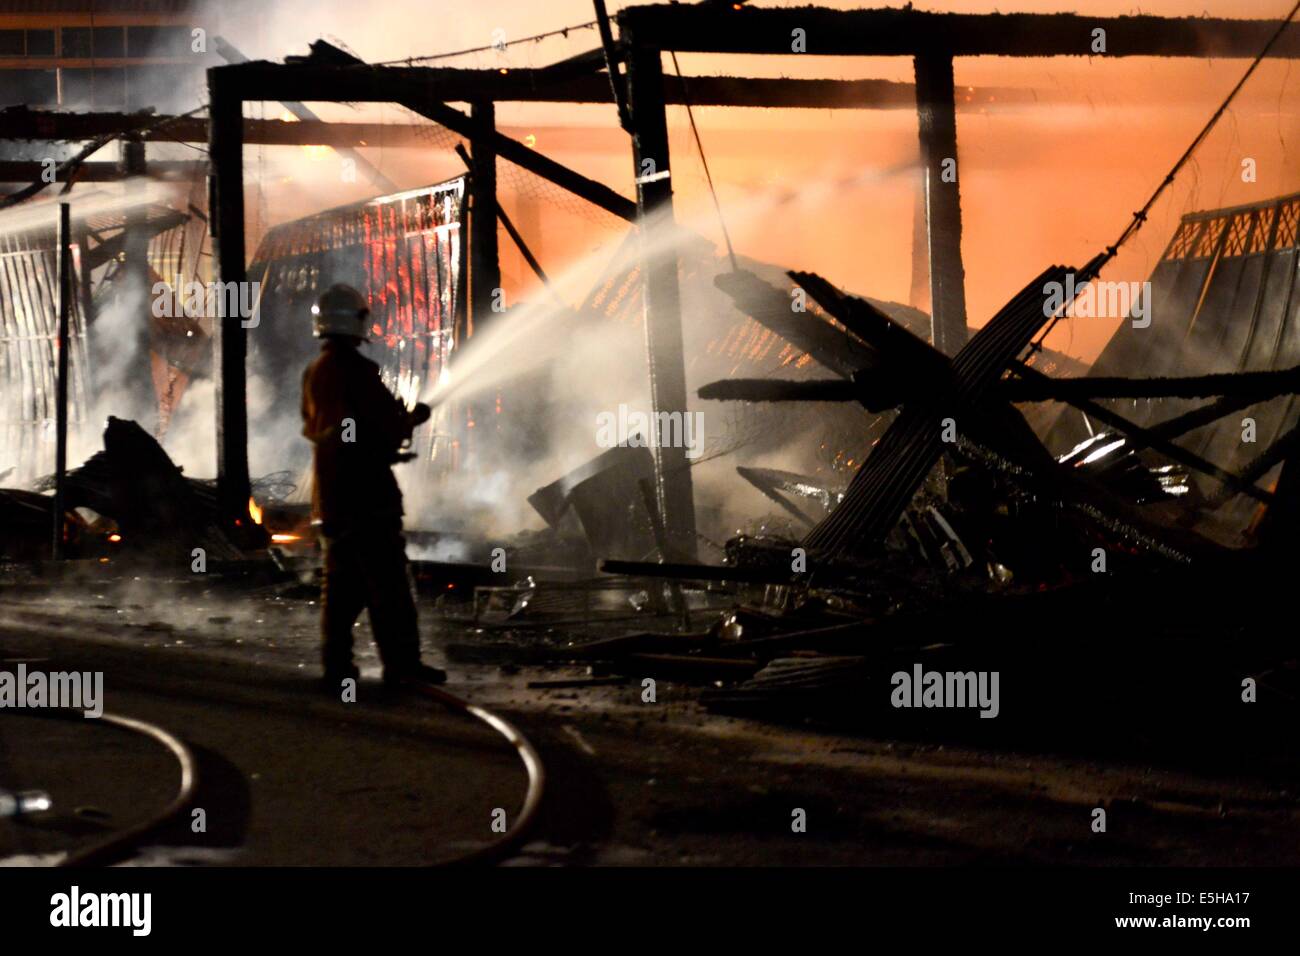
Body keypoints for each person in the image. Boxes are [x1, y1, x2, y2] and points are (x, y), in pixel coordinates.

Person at [300, 283, 446, 689]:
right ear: (357, 321)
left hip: (331, 500)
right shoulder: (355, 371)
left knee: (342, 590)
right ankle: (403, 667)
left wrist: (376, 436)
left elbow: (327, 431)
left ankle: (337, 668)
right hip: (366, 499)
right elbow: (368, 428)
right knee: (390, 589)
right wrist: (409, 420)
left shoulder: (315, 373)